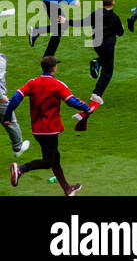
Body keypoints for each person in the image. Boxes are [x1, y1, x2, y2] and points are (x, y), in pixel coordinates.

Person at [3, 54, 92, 196]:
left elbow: (15, 97)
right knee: (48, 161)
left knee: (55, 158)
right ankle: (20, 169)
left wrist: (7, 116)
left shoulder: (32, 83)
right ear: (54, 68)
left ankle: (68, 190)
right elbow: (70, 101)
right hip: (50, 130)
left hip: (37, 130)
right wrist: (86, 108)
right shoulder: (57, 85)